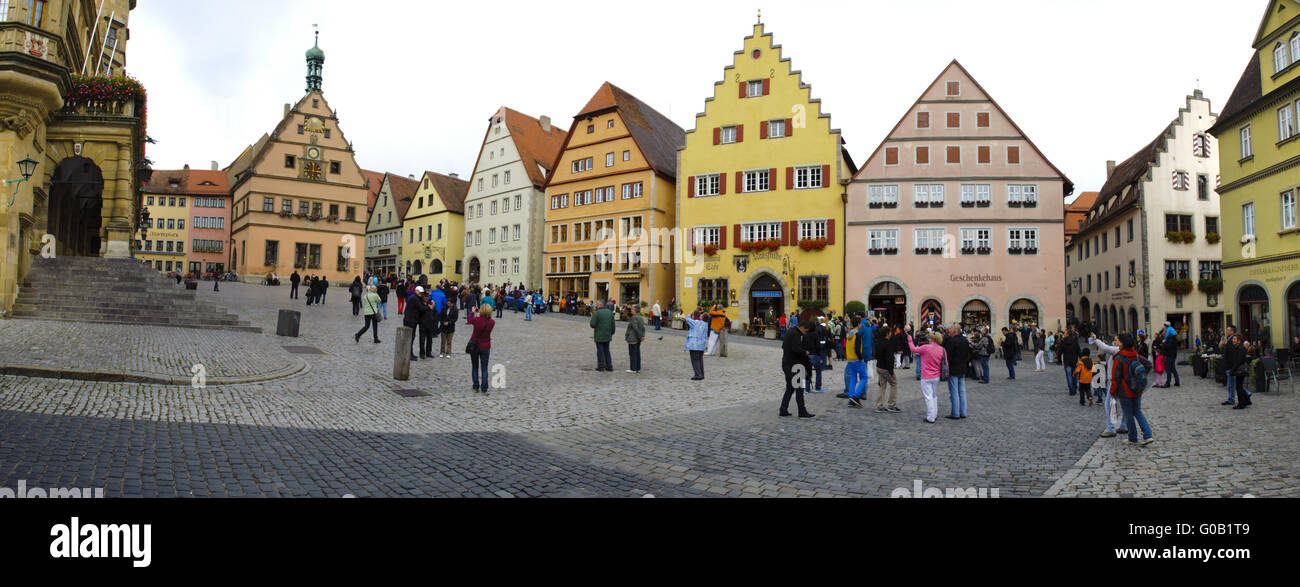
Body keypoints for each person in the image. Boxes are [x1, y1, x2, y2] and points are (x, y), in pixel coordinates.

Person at [1108, 333, 1155, 446]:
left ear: (1123, 343)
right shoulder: (1135, 355)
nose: (1116, 343)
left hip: (1125, 391)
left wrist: (1112, 392)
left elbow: (1116, 378)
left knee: (1128, 414)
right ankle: (1148, 435)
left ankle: (1133, 438)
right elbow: (1148, 365)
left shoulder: (1119, 358)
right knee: (1137, 411)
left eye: (1118, 341)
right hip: (1137, 389)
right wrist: (1141, 376)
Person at [908, 331, 949, 424]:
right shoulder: (942, 349)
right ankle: (934, 414)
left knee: (928, 397)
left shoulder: (925, 348)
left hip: (926, 376)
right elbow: (946, 363)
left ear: (932, 339)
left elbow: (913, 349)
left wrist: (910, 340)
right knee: (934, 396)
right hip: (936, 376)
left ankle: (931, 417)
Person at [780, 320, 815, 418]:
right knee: (800, 388)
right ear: (803, 327)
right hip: (796, 366)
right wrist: (805, 353)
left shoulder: (790, 332)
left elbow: (784, 346)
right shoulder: (796, 334)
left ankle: (783, 409)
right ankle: (802, 411)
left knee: (790, 388)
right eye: (806, 331)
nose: (806, 333)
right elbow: (796, 349)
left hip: (787, 363)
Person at [942, 323, 971, 420]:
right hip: (962, 368)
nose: (948, 331)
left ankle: (955, 413)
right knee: (962, 391)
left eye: (949, 329)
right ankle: (963, 412)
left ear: (954, 331)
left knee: (954, 392)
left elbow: (947, 357)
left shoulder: (952, 341)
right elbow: (968, 354)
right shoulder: (965, 340)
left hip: (954, 369)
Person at [467, 304, 496, 394]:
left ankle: (475, 386)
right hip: (485, 346)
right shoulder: (492, 322)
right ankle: (484, 388)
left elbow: (469, 320)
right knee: (484, 368)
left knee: (475, 367)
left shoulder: (477, 320)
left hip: (475, 346)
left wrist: (472, 312)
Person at [843, 316, 869, 408]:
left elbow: (847, 347)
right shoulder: (857, 335)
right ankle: (856, 396)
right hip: (857, 360)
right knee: (864, 377)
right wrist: (861, 358)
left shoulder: (849, 334)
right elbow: (857, 349)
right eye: (860, 323)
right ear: (858, 324)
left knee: (853, 379)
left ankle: (851, 400)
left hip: (850, 360)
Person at [874, 324, 900, 413]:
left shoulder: (878, 342)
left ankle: (879, 405)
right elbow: (889, 358)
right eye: (890, 333)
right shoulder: (888, 343)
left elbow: (876, 355)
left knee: (882, 386)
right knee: (894, 384)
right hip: (886, 368)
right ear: (887, 333)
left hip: (879, 366)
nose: (891, 334)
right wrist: (891, 371)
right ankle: (891, 405)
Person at [403, 286, 428, 361]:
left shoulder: (415, 297)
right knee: (410, 337)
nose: (421, 294)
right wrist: (428, 307)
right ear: (417, 291)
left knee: (412, 337)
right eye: (420, 293)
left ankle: (410, 353)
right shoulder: (414, 298)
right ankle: (409, 354)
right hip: (410, 321)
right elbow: (421, 308)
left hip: (411, 320)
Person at [590, 302, 616, 372]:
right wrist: (612, 332)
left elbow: (592, 324)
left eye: (597, 304)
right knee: (607, 351)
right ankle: (609, 366)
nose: (596, 306)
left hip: (599, 335)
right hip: (607, 335)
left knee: (600, 351)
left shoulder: (597, 313)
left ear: (600, 305)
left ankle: (601, 366)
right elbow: (613, 324)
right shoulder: (610, 313)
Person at [684, 310, 709, 381]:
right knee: (700, 360)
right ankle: (701, 374)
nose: (700, 316)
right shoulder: (705, 324)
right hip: (702, 345)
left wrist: (690, 314)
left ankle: (698, 374)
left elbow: (687, 320)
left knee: (695, 360)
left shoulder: (697, 323)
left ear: (702, 318)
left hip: (694, 344)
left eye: (701, 315)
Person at [419, 289, 440, 359]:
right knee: (422, 339)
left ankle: (428, 352)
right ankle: (422, 353)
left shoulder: (431, 304)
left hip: (430, 324)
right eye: (425, 297)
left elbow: (436, 313)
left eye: (427, 297)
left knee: (430, 339)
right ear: (423, 298)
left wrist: (433, 319)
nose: (426, 298)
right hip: (423, 324)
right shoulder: (420, 304)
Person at [626, 305, 646, 374]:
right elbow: (643, 328)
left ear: (635, 310)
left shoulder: (634, 317)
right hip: (638, 338)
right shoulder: (641, 317)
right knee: (637, 353)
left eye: (632, 309)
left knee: (632, 353)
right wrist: (642, 336)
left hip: (633, 337)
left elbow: (635, 328)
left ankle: (633, 368)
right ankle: (638, 368)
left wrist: (640, 336)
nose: (631, 310)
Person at [1060, 328, 1081, 395]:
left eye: (1064, 333)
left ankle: (1071, 390)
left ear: (1067, 334)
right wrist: (1082, 358)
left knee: (1069, 376)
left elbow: (1060, 351)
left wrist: (1059, 360)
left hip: (1067, 361)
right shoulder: (1075, 341)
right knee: (1075, 375)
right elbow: (1078, 350)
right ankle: (1074, 386)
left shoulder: (1063, 341)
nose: (1063, 334)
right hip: (1075, 361)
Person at [438, 292, 458, 359]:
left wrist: (448, 323)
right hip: (443, 327)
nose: (448, 304)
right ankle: (442, 352)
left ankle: (448, 352)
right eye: (447, 303)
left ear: (452, 303)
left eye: (449, 303)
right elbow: (440, 316)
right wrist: (442, 322)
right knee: (443, 341)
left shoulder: (455, 310)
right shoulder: (444, 308)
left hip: (450, 327)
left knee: (449, 341)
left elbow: (455, 319)